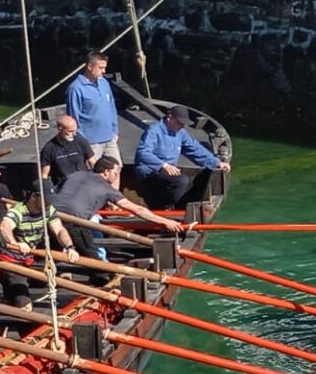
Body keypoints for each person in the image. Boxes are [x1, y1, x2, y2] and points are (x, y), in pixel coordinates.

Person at [52, 156, 183, 261]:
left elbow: (58, 193)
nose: (116, 177)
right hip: (75, 222)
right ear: (106, 172)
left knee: (51, 247)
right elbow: (137, 210)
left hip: (51, 215)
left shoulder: (76, 175)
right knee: (93, 258)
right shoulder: (107, 188)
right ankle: (103, 280)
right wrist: (165, 221)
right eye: (115, 173)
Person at [0, 182, 80, 308]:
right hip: (11, 262)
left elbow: (59, 230)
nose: (49, 203)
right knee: (24, 304)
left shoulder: (48, 210)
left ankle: (34, 282)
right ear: (33, 196)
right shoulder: (18, 211)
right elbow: (4, 227)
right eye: (46, 200)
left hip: (30, 260)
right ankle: (12, 290)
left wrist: (70, 247)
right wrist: (15, 243)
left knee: (56, 280)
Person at [134, 104, 231, 211]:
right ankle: (166, 208)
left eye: (183, 124)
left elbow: (194, 149)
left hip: (169, 170)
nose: (182, 126)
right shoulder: (154, 131)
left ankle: (182, 209)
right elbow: (143, 152)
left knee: (195, 180)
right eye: (179, 123)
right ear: (169, 118)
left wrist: (216, 162)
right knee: (181, 181)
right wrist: (163, 165)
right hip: (149, 170)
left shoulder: (181, 133)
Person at [65, 50, 119, 163]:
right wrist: (83, 142)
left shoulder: (104, 83)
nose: (104, 71)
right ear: (90, 66)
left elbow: (111, 108)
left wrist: (114, 131)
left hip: (110, 139)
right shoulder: (76, 89)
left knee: (116, 168)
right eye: (100, 68)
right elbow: (74, 117)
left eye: (105, 67)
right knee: (92, 174)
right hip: (91, 142)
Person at [39, 114, 95, 188]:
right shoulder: (49, 148)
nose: (74, 134)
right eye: (70, 131)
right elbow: (44, 175)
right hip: (63, 187)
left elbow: (93, 162)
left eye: (75, 130)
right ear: (60, 129)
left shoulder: (80, 141)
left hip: (83, 184)